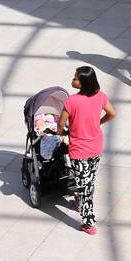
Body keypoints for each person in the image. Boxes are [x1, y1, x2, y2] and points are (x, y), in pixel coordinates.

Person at [55, 67, 116, 235]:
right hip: (96, 147)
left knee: (86, 186)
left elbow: (61, 124)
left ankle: (89, 223)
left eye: (75, 78)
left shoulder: (71, 101)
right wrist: (98, 123)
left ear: (84, 82)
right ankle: (80, 199)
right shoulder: (101, 97)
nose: (72, 80)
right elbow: (112, 113)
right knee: (89, 180)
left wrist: (61, 133)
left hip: (79, 150)